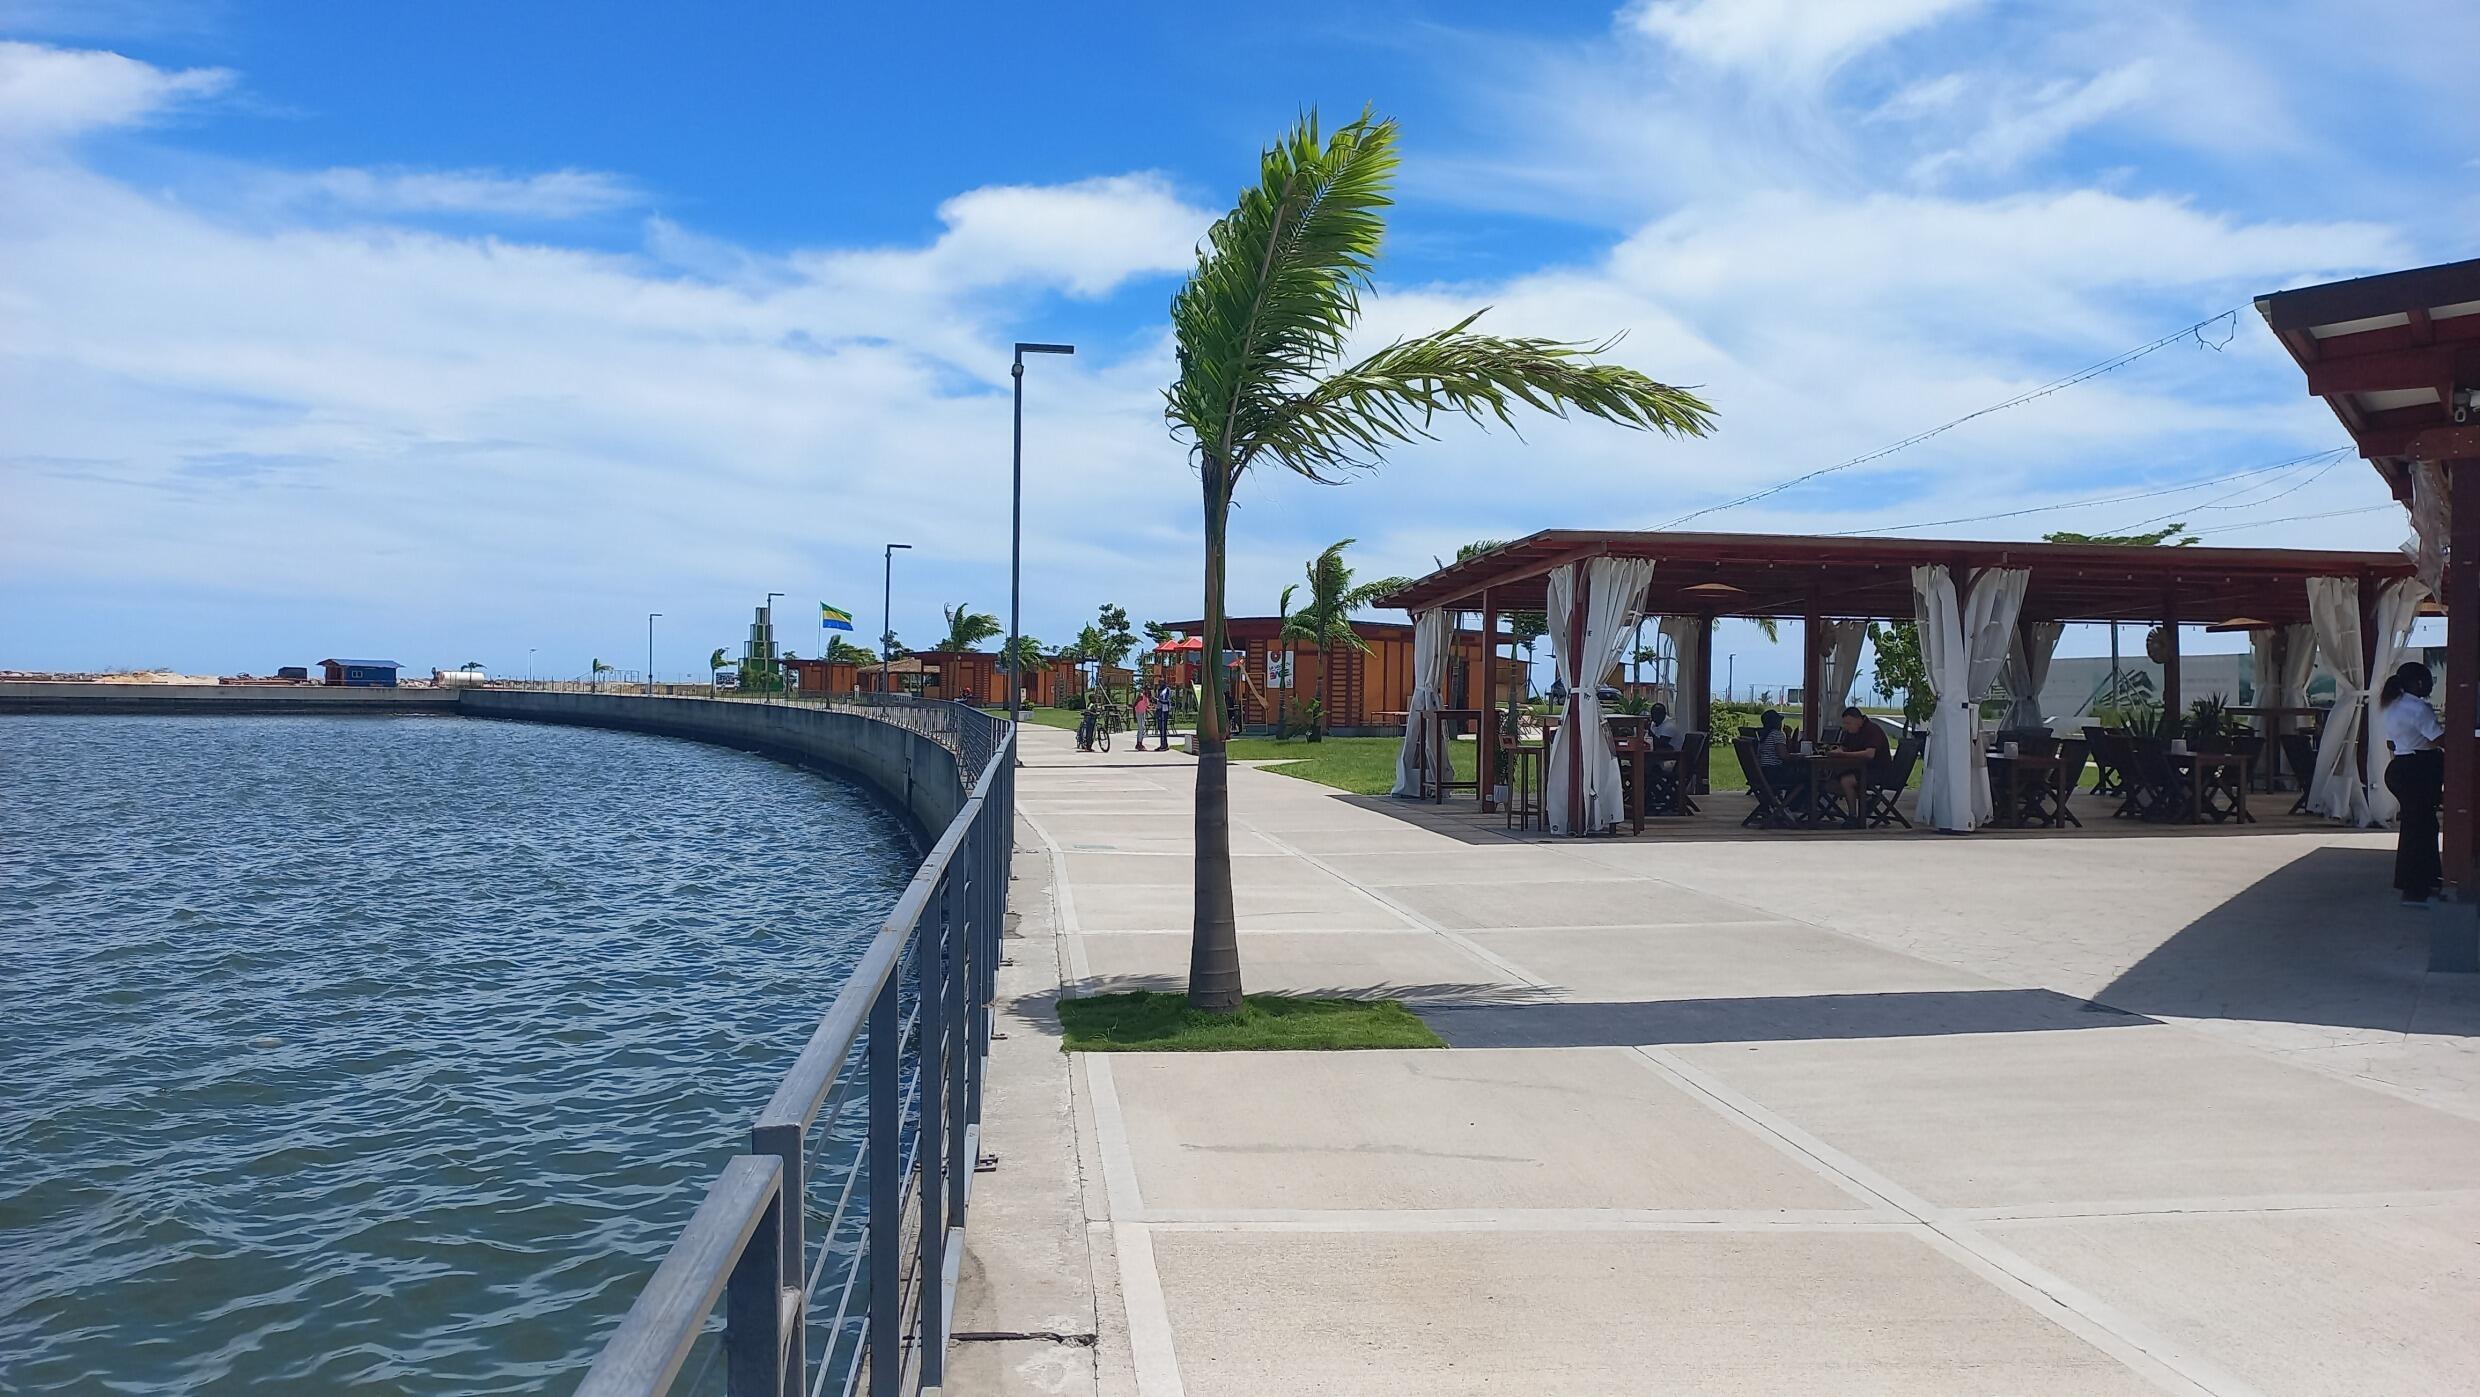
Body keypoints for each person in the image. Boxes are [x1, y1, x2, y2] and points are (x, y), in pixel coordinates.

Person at [2382, 660, 2444, 905]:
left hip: (2401, 766)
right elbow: (2439, 739)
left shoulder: (2391, 704)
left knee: (2418, 826)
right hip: (2418, 770)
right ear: (2419, 683)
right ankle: (2416, 886)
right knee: (2420, 828)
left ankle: (2424, 880)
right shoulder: (2419, 708)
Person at [1828, 707, 1892, 828]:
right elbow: (1844, 747)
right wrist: (1838, 751)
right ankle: (1867, 798)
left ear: (1858, 720)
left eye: (1848, 723)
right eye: (1844, 723)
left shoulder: (1872, 730)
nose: (1846, 726)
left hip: (1877, 771)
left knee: (1846, 781)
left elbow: (1869, 754)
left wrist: (1844, 755)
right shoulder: (1850, 732)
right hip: (1857, 769)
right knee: (1830, 781)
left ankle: (1853, 816)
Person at [1154, 678, 1178, 751]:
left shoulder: (1167, 690)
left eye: (1161, 682)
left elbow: (1167, 701)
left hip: (1164, 710)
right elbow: (1159, 701)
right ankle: (1162, 744)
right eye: (1159, 682)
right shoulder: (1159, 690)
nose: (1159, 684)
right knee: (1160, 728)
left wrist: (1158, 700)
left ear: (1164, 683)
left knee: (1163, 728)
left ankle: (1164, 745)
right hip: (1159, 710)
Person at [1132, 686, 1153, 752]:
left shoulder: (1146, 697)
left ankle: (1139, 743)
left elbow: (1146, 705)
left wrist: (1150, 707)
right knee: (1141, 728)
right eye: (1147, 689)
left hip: (1143, 713)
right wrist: (1134, 716)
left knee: (1142, 728)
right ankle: (1139, 743)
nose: (1148, 691)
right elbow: (1134, 704)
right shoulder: (1141, 696)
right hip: (1139, 713)